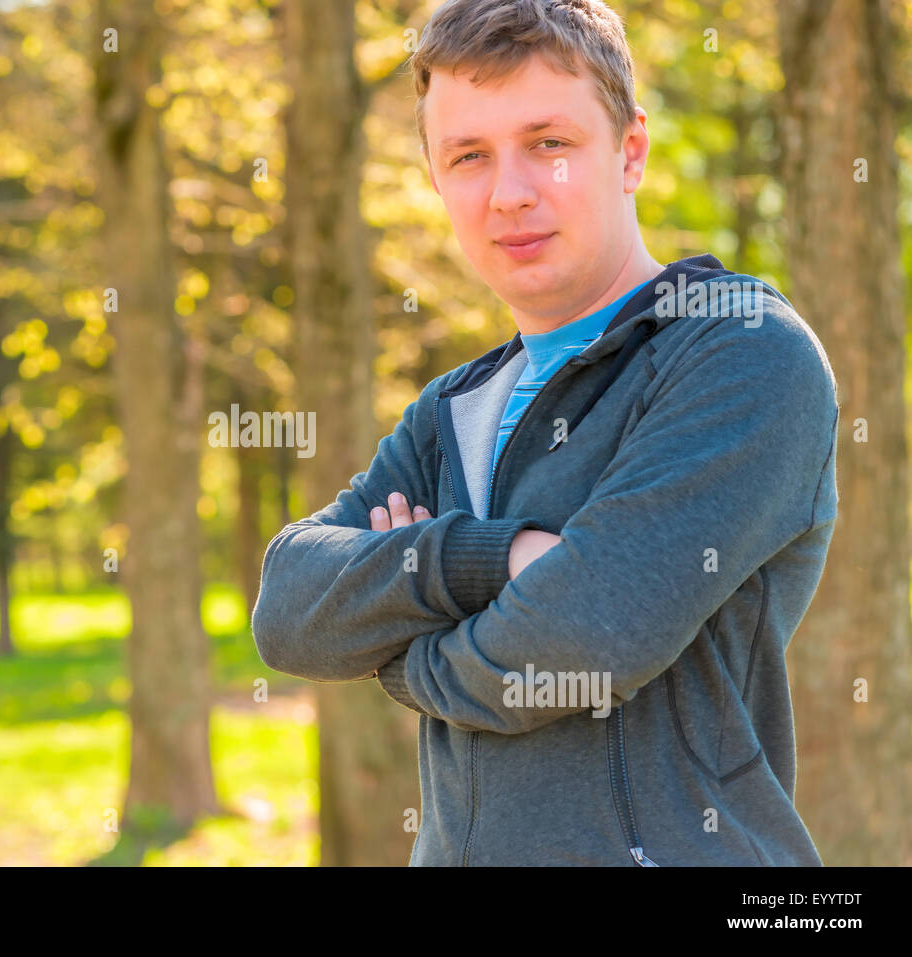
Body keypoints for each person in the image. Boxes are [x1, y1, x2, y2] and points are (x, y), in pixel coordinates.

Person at [251, 0, 839, 865]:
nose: (510, 192)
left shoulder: (742, 354)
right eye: (469, 156)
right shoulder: (453, 408)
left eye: (549, 144)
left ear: (630, 149)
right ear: (435, 176)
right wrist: (491, 558)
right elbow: (290, 608)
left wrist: (404, 657)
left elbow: (588, 639)